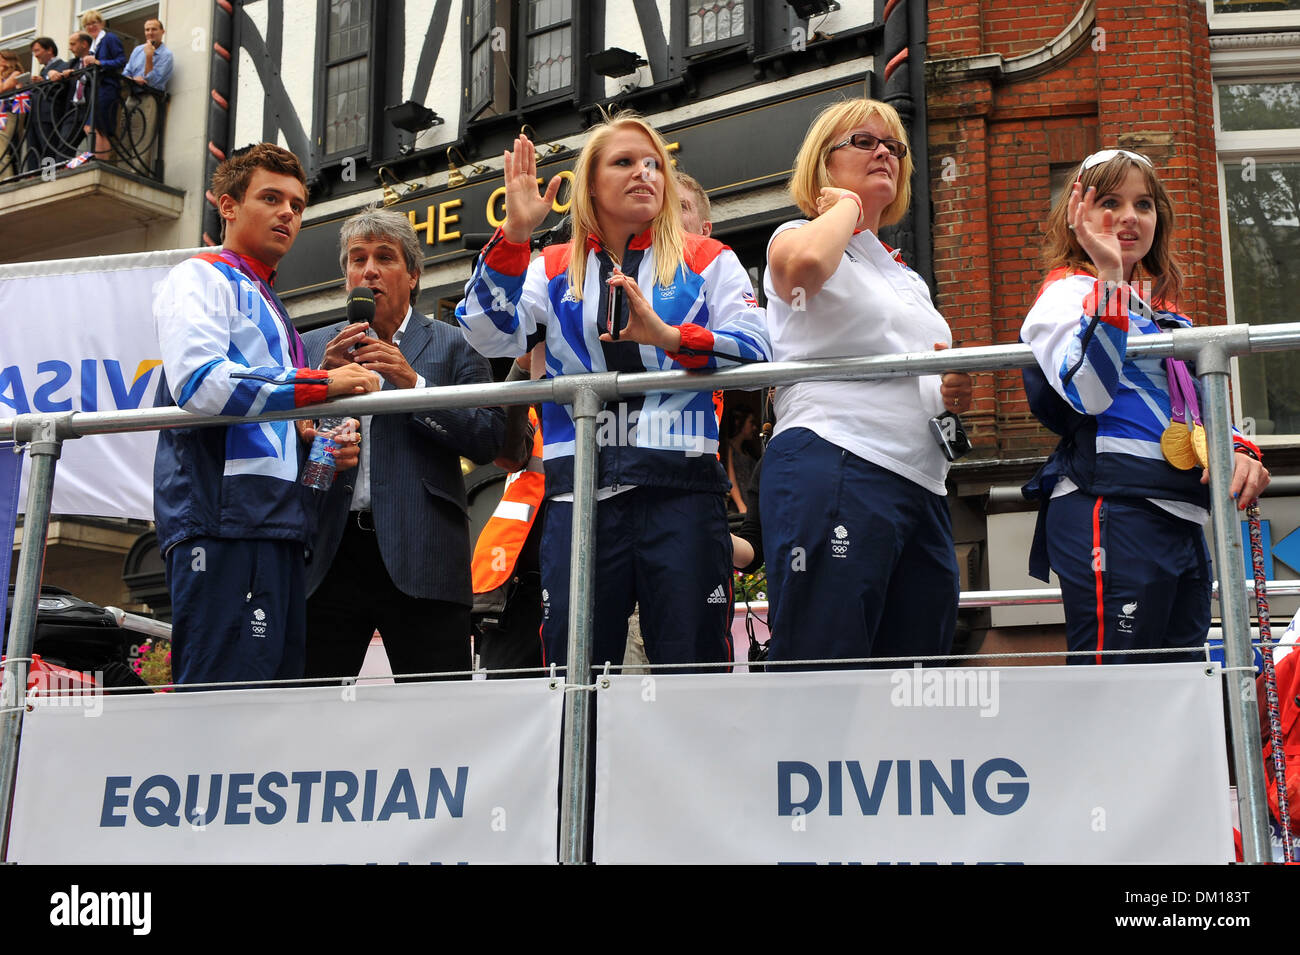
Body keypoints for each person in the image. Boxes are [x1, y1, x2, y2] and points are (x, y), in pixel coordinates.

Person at [457, 112, 771, 671]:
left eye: (654, 164)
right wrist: (514, 236)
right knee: (578, 678)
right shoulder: (550, 265)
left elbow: (756, 351)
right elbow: (485, 332)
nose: (643, 173)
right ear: (590, 183)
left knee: (692, 671)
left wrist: (672, 338)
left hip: (682, 494)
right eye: (624, 162)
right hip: (577, 498)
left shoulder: (708, 259)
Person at [1021, 148, 1269, 664]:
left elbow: (1199, 412)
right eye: (1110, 201)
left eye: (1145, 204)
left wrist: (1241, 454)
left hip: (1180, 515)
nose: (1131, 216)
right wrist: (1110, 279)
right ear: (1076, 213)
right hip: (1111, 508)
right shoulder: (1065, 295)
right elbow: (1087, 390)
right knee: (1116, 691)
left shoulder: (1165, 314)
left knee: (1177, 694)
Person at [153, 143, 379, 687]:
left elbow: (289, 440)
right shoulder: (200, 276)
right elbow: (200, 384)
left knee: (268, 718)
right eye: (271, 198)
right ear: (227, 206)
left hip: (280, 530)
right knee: (219, 712)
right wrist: (321, 384)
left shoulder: (276, 310)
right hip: (221, 523)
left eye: (297, 206)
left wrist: (324, 447)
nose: (287, 213)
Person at [760, 98, 972, 667]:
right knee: (824, 665)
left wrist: (948, 393)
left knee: (913, 673)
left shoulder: (908, 278)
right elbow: (802, 267)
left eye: (894, 147)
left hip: (921, 483)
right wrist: (846, 207)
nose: (884, 151)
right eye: (863, 141)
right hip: (840, 457)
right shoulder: (794, 234)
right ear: (821, 163)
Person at [301, 207, 504, 680]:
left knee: (435, 716)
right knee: (309, 715)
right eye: (357, 259)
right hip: (328, 554)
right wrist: (314, 400)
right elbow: (289, 453)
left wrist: (415, 388)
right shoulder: (310, 349)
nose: (367, 270)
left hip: (423, 554)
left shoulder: (456, 345)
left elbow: (488, 440)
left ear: (413, 275)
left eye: (384, 258)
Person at [78, 9, 126, 160]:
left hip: (107, 87)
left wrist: (99, 62)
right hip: (97, 88)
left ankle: (100, 160)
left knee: (94, 127)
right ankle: (103, 160)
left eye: (94, 23)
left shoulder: (109, 38)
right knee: (99, 128)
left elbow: (121, 60)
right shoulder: (94, 44)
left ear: (101, 23)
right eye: (87, 25)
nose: (91, 27)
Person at [723, 408, 759, 514]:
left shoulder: (748, 450)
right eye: (751, 422)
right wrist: (741, 506)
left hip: (750, 502)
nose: (754, 428)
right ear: (739, 423)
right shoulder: (727, 447)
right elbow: (730, 478)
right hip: (738, 507)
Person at [122, 18, 172, 92]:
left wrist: (149, 56)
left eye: (154, 29)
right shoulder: (138, 50)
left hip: (150, 97)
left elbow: (151, 83)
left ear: (162, 32)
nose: (150, 33)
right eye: (147, 30)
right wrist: (133, 80)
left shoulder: (166, 55)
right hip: (132, 96)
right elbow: (125, 73)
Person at [677, 171, 712, 238]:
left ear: (705, 231)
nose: (669, 214)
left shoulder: (721, 248)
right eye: (663, 208)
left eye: (681, 206)